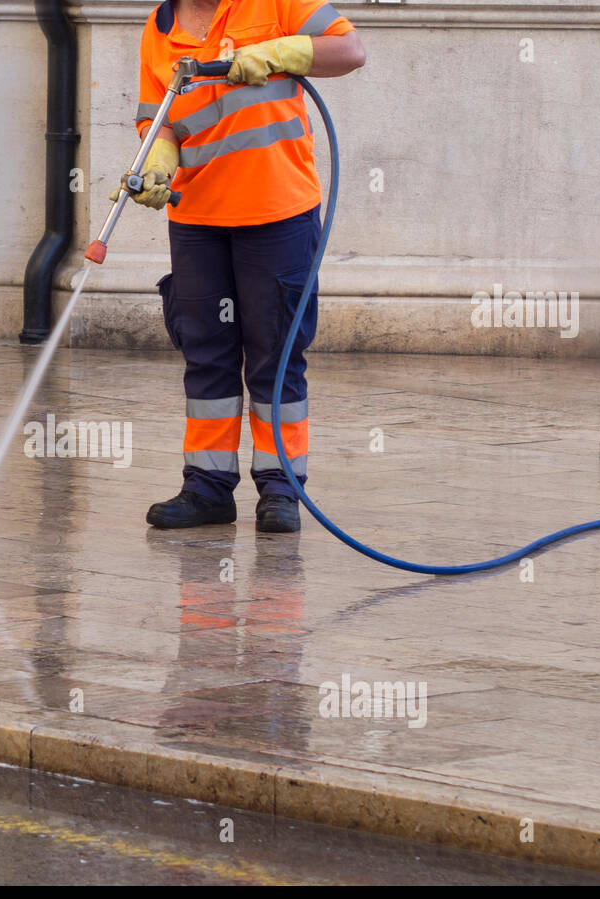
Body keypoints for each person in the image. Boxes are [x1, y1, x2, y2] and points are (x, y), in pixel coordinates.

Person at [121, 0, 365, 531]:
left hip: (277, 213)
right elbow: (155, 115)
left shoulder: (276, 2)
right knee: (206, 352)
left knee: (275, 353)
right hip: (198, 217)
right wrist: (159, 155)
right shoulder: (159, 30)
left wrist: (281, 51)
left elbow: (349, 50)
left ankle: (281, 488)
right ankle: (207, 488)